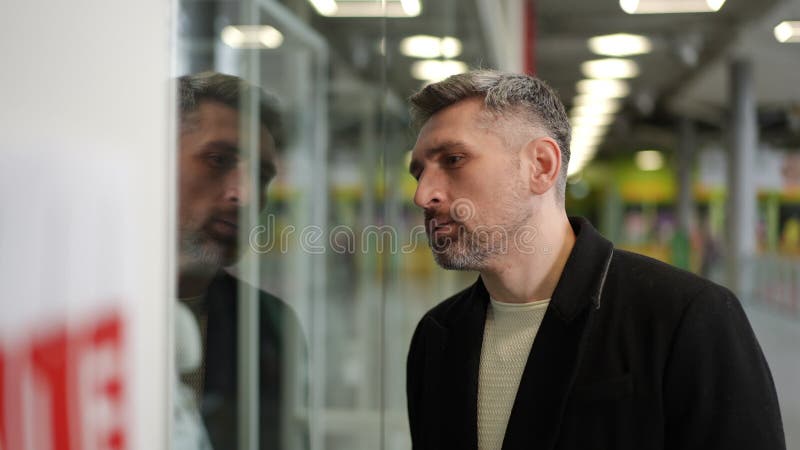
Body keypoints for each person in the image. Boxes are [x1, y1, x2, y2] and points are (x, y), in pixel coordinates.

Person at [405, 70, 785, 450]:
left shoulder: (686, 319)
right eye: (420, 172)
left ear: (540, 166)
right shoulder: (437, 336)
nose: (424, 195)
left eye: (453, 160)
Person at [176, 71, 307, 450]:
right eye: (218, 160)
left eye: (262, 176)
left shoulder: (268, 325)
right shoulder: (87, 315)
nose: (245, 194)